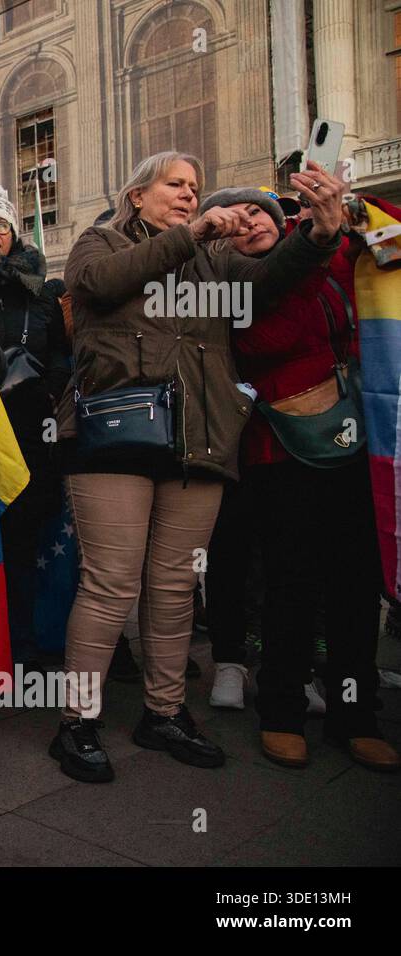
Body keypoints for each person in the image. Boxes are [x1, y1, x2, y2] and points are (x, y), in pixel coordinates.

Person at [50, 150, 346, 784]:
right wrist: (192, 235)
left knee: (175, 586)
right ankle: (76, 721)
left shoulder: (215, 261)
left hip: (200, 440)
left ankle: (164, 712)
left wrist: (319, 235)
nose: (189, 194)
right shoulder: (98, 240)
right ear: (137, 195)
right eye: (175, 185)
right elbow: (97, 287)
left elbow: (268, 285)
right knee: (112, 584)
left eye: (196, 187)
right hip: (115, 436)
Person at [200, 184, 399, 771]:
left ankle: (355, 714)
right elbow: (270, 340)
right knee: (292, 583)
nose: (249, 223)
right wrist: (314, 249)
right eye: (233, 221)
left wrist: (351, 212)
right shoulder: (232, 290)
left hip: (357, 439)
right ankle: (282, 712)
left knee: (356, 587)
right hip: (281, 452)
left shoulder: (332, 249)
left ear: (277, 215)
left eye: (256, 211)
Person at [0, 183, 68, 672]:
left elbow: (63, 353)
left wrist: (51, 384)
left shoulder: (43, 291)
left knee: (25, 538)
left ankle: (21, 643)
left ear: (14, 232)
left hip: (31, 427)